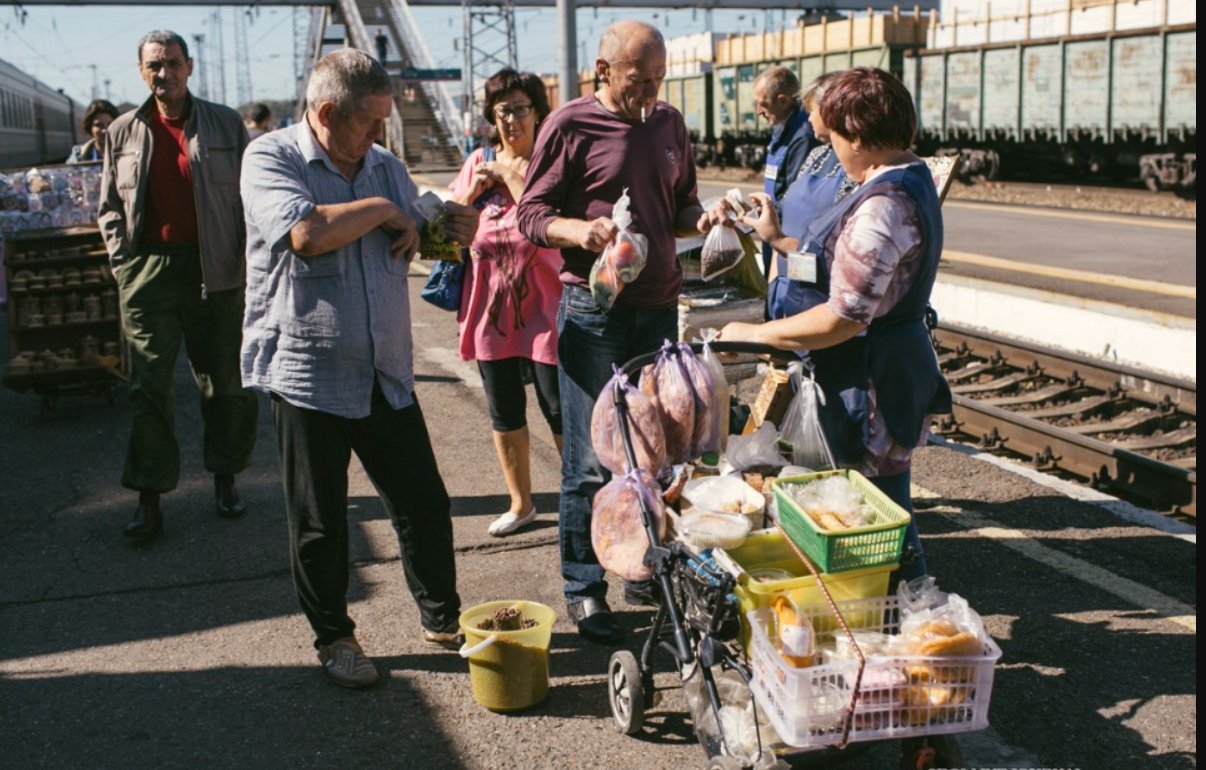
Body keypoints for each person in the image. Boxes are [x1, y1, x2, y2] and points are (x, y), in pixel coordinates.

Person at [240, 48, 480, 688]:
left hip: (384, 370)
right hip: (306, 374)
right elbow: (305, 233)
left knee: (423, 503)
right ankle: (335, 638)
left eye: (383, 123)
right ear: (325, 113)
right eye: (369, 123)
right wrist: (382, 208)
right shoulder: (271, 158)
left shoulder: (386, 166)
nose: (379, 136)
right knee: (320, 520)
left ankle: (441, 618)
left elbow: (424, 241)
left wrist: (456, 227)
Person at [710, 68, 953, 584]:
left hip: (870, 383)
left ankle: (897, 619)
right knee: (884, 514)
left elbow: (843, 317)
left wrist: (752, 335)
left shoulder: (882, 208)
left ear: (859, 138)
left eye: (836, 138)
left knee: (875, 522)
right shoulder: (908, 178)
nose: (834, 150)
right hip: (887, 368)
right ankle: (900, 610)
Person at [517, 20, 706, 645]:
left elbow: (678, 208)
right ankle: (582, 587)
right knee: (588, 461)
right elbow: (532, 214)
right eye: (637, 79)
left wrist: (706, 217)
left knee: (653, 454)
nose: (650, 91)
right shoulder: (570, 124)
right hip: (595, 313)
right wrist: (582, 231)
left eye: (657, 78)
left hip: (658, 306)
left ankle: (637, 564)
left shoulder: (669, 123)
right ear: (603, 70)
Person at [98, 30, 259, 544]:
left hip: (216, 273)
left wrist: (244, 261)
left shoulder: (224, 124)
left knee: (224, 384)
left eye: (171, 63)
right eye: (153, 66)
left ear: (189, 66)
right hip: (148, 274)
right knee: (149, 388)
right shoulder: (123, 131)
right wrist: (125, 265)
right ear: (141, 72)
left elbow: (249, 201)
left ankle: (226, 478)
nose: (162, 73)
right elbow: (108, 209)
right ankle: (149, 497)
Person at [448, 68, 562, 538]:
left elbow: (552, 234)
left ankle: (587, 497)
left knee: (561, 413)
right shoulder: (478, 160)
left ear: (538, 113)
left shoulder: (551, 164)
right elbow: (442, 234)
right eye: (502, 112)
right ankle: (521, 504)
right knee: (504, 413)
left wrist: (511, 179)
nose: (511, 120)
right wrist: (471, 192)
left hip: (548, 316)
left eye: (520, 109)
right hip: (490, 317)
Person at [763, 72, 857, 312]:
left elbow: (830, 259)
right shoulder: (817, 156)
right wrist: (776, 279)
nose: (809, 119)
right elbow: (785, 215)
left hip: (816, 297)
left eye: (812, 111)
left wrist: (779, 242)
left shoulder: (855, 168)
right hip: (787, 286)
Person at [753, 65, 818, 278]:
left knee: (791, 295)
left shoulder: (803, 137)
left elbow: (797, 198)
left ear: (783, 101)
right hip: (774, 231)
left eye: (763, 105)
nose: (758, 111)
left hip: (790, 236)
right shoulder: (782, 127)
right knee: (773, 293)